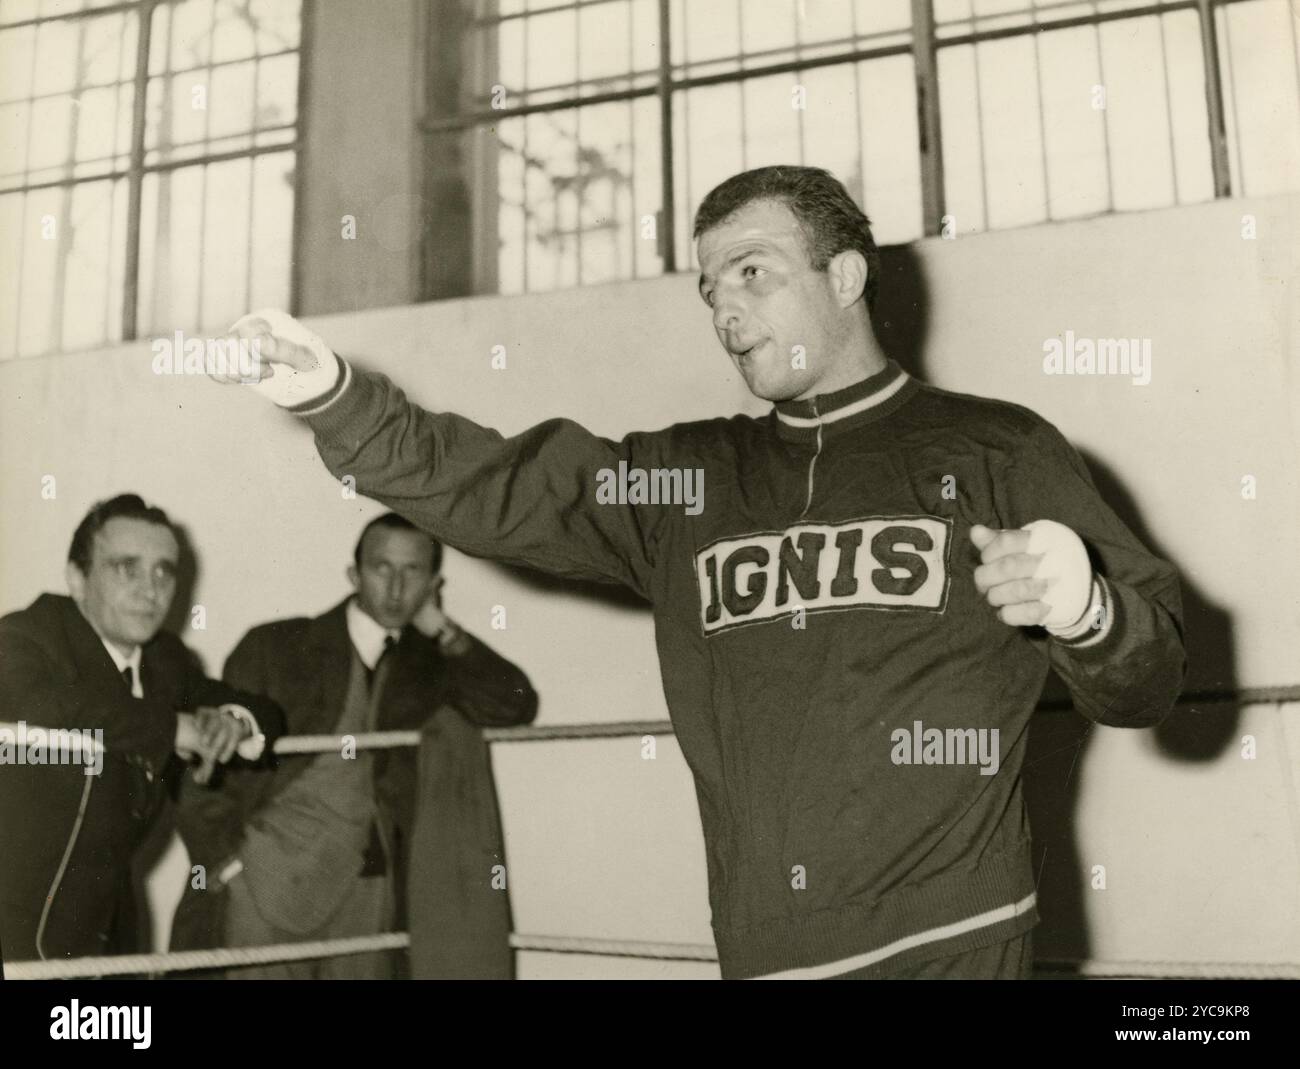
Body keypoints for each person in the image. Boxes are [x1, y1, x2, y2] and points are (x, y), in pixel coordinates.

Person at [212, 165, 1186, 980]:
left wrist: (1091, 610)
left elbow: (1150, 682)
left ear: (844, 275)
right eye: (708, 288)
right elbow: (499, 485)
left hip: (952, 942)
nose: (723, 307)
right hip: (762, 953)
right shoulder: (690, 478)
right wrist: (339, 403)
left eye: (751, 272)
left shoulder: (998, 450)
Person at [172, 513, 538, 979]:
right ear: (353, 573)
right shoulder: (278, 646)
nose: (395, 587)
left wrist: (440, 626)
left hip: (370, 890)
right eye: (382, 568)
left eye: (412, 572)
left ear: (433, 583)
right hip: (265, 880)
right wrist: (227, 867)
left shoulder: (433, 665)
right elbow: (203, 771)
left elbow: (516, 703)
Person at [0, 494, 282, 965]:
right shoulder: (28, 635)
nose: (150, 590)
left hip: (112, 923)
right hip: (14, 918)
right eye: (126, 568)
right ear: (77, 578)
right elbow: (42, 705)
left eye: (163, 571)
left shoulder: (165, 660)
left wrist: (232, 723)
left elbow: (264, 713)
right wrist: (175, 729)